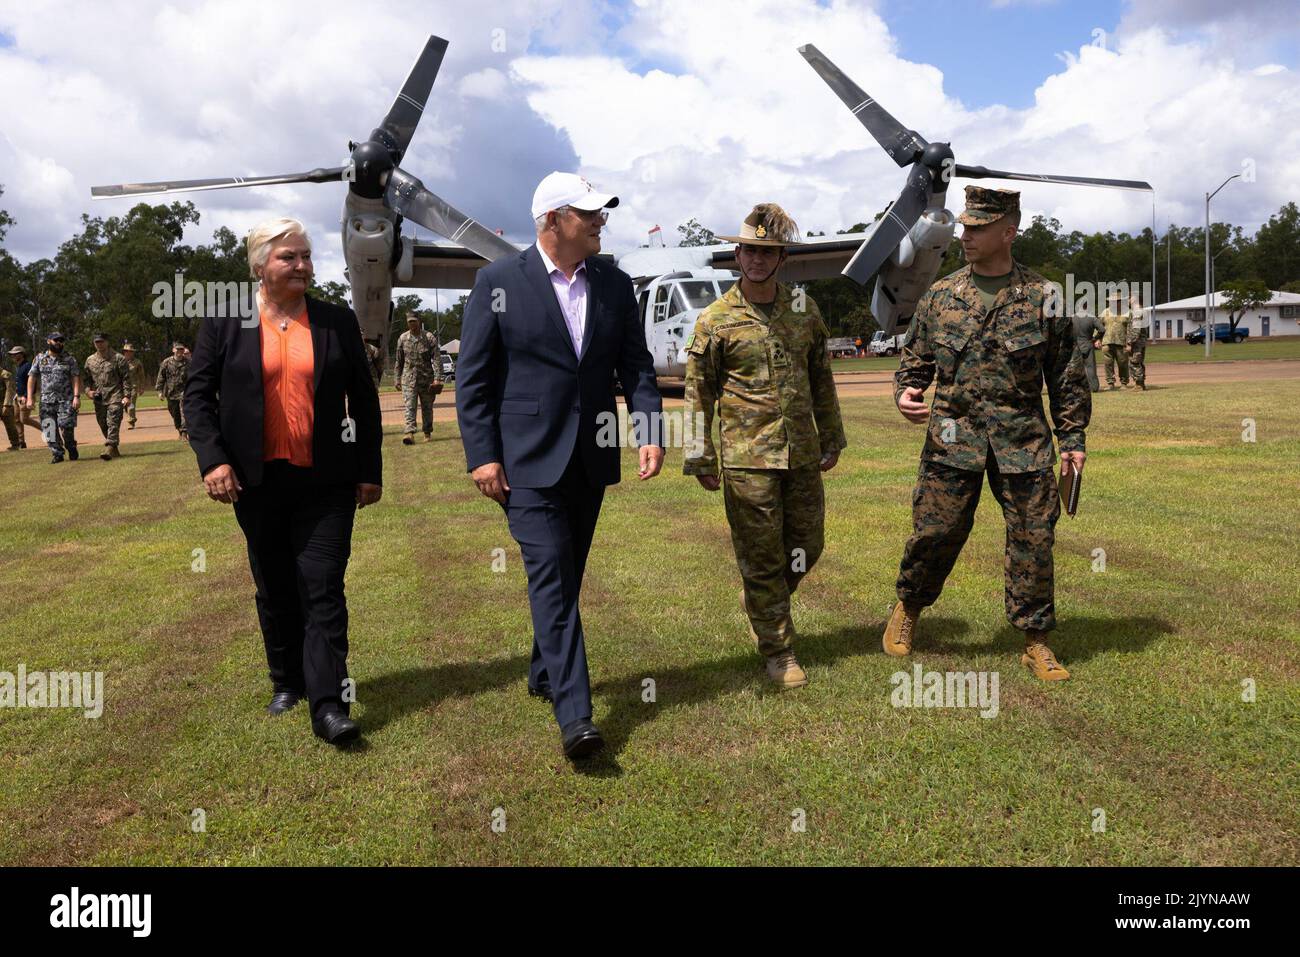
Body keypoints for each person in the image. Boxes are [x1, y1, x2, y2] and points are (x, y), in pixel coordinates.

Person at [456, 171, 664, 761]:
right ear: (552, 220)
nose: (601, 221)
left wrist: (647, 429)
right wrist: (483, 455)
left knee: (564, 576)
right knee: (550, 576)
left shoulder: (616, 283)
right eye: (589, 213)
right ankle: (576, 715)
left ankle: (544, 671)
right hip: (525, 462)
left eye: (602, 213)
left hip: (591, 456)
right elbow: (473, 382)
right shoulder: (495, 282)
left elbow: (637, 367)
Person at [184, 217, 383, 746]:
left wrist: (368, 470)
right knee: (273, 584)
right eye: (288, 258)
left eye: (306, 256)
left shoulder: (336, 321)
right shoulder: (226, 322)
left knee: (322, 585)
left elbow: (363, 400)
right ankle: (286, 681)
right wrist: (213, 461)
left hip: (327, 481)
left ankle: (329, 705)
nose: (301, 266)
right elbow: (197, 398)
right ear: (259, 267)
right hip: (255, 481)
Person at [886, 186, 1090, 681]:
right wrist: (907, 391)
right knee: (935, 531)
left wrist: (1074, 441)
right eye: (965, 226)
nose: (965, 236)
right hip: (953, 439)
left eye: (977, 228)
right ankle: (908, 609)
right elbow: (914, 359)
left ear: (1008, 231)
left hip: (1024, 442)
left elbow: (1066, 376)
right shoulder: (941, 295)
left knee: (1034, 539)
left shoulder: (1046, 298)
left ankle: (1036, 640)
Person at [683, 203, 846, 688]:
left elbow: (821, 379)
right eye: (749, 249)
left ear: (781, 258)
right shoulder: (715, 319)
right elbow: (698, 393)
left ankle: (760, 598)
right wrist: (700, 453)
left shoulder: (803, 309)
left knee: (807, 545)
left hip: (800, 451)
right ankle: (780, 651)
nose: (756, 258)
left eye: (767, 251)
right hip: (746, 458)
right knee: (762, 556)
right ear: (737, 253)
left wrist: (831, 436)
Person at [26, 332, 81, 464]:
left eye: (61, 340)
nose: (59, 342)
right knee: (48, 428)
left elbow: (75, 377)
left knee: (67, 427)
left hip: (66, 399)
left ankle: (71, 446)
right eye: (56, 340)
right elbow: (32, 377)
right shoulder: (40, 358)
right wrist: (29, 397)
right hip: (46, 400)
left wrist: (76, 396)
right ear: (49, 341)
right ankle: (57, 453)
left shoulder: (69, 359)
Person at [83, 331, 135, 460]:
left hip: (115, 394)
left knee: (113, 420)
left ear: (107, 342)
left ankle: (109, 446)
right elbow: (86, 379)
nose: (99, 344)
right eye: (97, 342)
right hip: (99, 397)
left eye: (101, 341)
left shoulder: (118, 358)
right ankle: (114, 449)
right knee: (103, 423)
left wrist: (127, 396)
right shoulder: (90, 360)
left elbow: (126, 379)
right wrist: (88, 391)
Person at [394, 315, 444, 444]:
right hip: (408, 379)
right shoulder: (403, 338)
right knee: (410, 406)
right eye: (409, 322)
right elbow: (399, 360)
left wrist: (438, 379)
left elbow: (437, 359)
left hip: (426, 379)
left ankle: (427, 432)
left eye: (414, 322)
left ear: (419, 321)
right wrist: (397, 379)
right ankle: (409, 433)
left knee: (427, 407)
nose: (412, 324)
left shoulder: (428, 337)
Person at [1098, 292, 1132, 390]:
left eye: (1116, 301)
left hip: (1122, 343)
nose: (1113, 303)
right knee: (1108, 364)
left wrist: (1129, 343)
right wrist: (1097, 339)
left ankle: (1124, 383)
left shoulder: (1128, 312)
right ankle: (1110, 383)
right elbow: (1099, 326)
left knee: (1123, 363)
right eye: (1112, 301)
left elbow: (1131, 329)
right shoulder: (1105, 312)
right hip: (1107, 342)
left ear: (1121, 302)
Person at [156, 342, 190, 439]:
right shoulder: (166, 362)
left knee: (184, 411)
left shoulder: (188, 362)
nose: (180, 351)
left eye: (181, 349)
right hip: (171, 393)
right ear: (173, 350)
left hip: (185, 392)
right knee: (174, 412)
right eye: (178, 349)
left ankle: (184, 432)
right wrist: (159, 391)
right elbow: (161, 377)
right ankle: (179, 428)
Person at [1070, 307, 1105, 392]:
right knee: (1091, 367)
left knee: (1074, 367)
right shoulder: (1092, 317)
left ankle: (1075, 388)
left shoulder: (1071, 318)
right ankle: (1094, 388)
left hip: (1075, 345)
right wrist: (1095, 338)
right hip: (1088, 344)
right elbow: (1102, 329)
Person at [2, 346, 28, 451]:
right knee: (17, 420)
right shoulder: (18, 367)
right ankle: (20, 442)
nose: (12, 356)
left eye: (14, 354)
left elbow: (10, 389)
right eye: (11, 354)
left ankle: (49, 434)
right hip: (17, 398)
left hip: (18, 399)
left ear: (21, 354)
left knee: (21, 420)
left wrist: (7, 405)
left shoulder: (26, 366)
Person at [121, 343, 148, 428]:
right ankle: (130, 416)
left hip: (133, 387)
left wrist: (142, 387)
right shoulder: (119, 361)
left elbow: (141, 376)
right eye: (127, 351)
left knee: (131, 404)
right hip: (121, 387)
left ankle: (131, 421)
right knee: (124, 405)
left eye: (130, 351)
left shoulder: (137, 362)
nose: (129, 353)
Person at [1127, 294, 1149, 391]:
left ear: (1134, 300)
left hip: (1137, 342)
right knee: (1139, 362)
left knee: (1134, 362)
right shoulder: (1143, 311)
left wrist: (1129, 343)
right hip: (1142, 341)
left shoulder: (1136, 312)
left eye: (1130, 299)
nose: (1128, 301)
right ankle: (1141, 384)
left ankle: (1139, 385)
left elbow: (1136, 329)